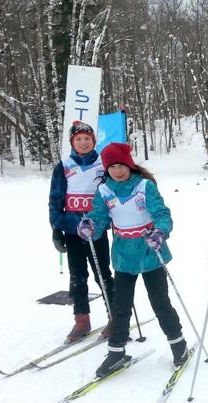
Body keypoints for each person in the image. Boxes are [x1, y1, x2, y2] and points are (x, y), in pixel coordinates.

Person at [77, 143, 187, 377]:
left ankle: (178, 344)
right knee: (120, 305)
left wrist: (160, 231)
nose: (117, 171)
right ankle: (116, 352)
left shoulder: (144, 186)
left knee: (160, 303)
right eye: (112, 167)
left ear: (129, 165)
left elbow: (162, 214)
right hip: (123, 255)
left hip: (150, 252)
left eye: (121, 166)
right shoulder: (104, 190)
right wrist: (90, 225)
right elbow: (99, 217)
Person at [48, 121, 115, 342]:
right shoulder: (64, 166)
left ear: (93, 141)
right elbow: (55, 199)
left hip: (96, 228)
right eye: (79, 139)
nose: (83, 143)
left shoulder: (103, 164)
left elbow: (113, 193)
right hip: (73, 229)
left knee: (102, 273)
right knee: (77, 275)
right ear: (72, 142)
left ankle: (115, 316)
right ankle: (81, 319)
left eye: (87, 139)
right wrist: (56, 228)